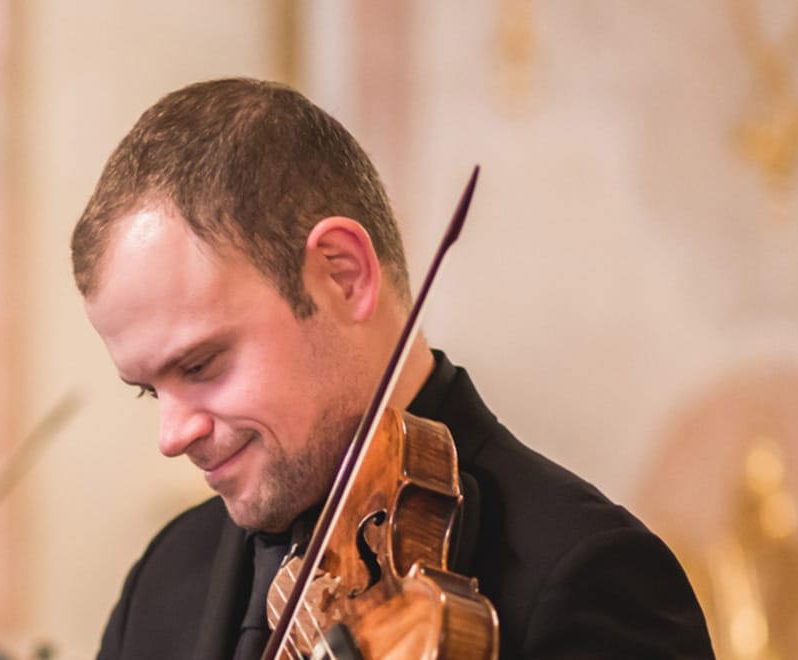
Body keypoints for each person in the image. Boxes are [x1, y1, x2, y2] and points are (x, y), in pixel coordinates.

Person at [71, 78, 714, 659]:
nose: (170, 435)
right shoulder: (164, 579)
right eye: (146, 391)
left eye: (202, 365)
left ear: (343, 275)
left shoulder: (585, 579)